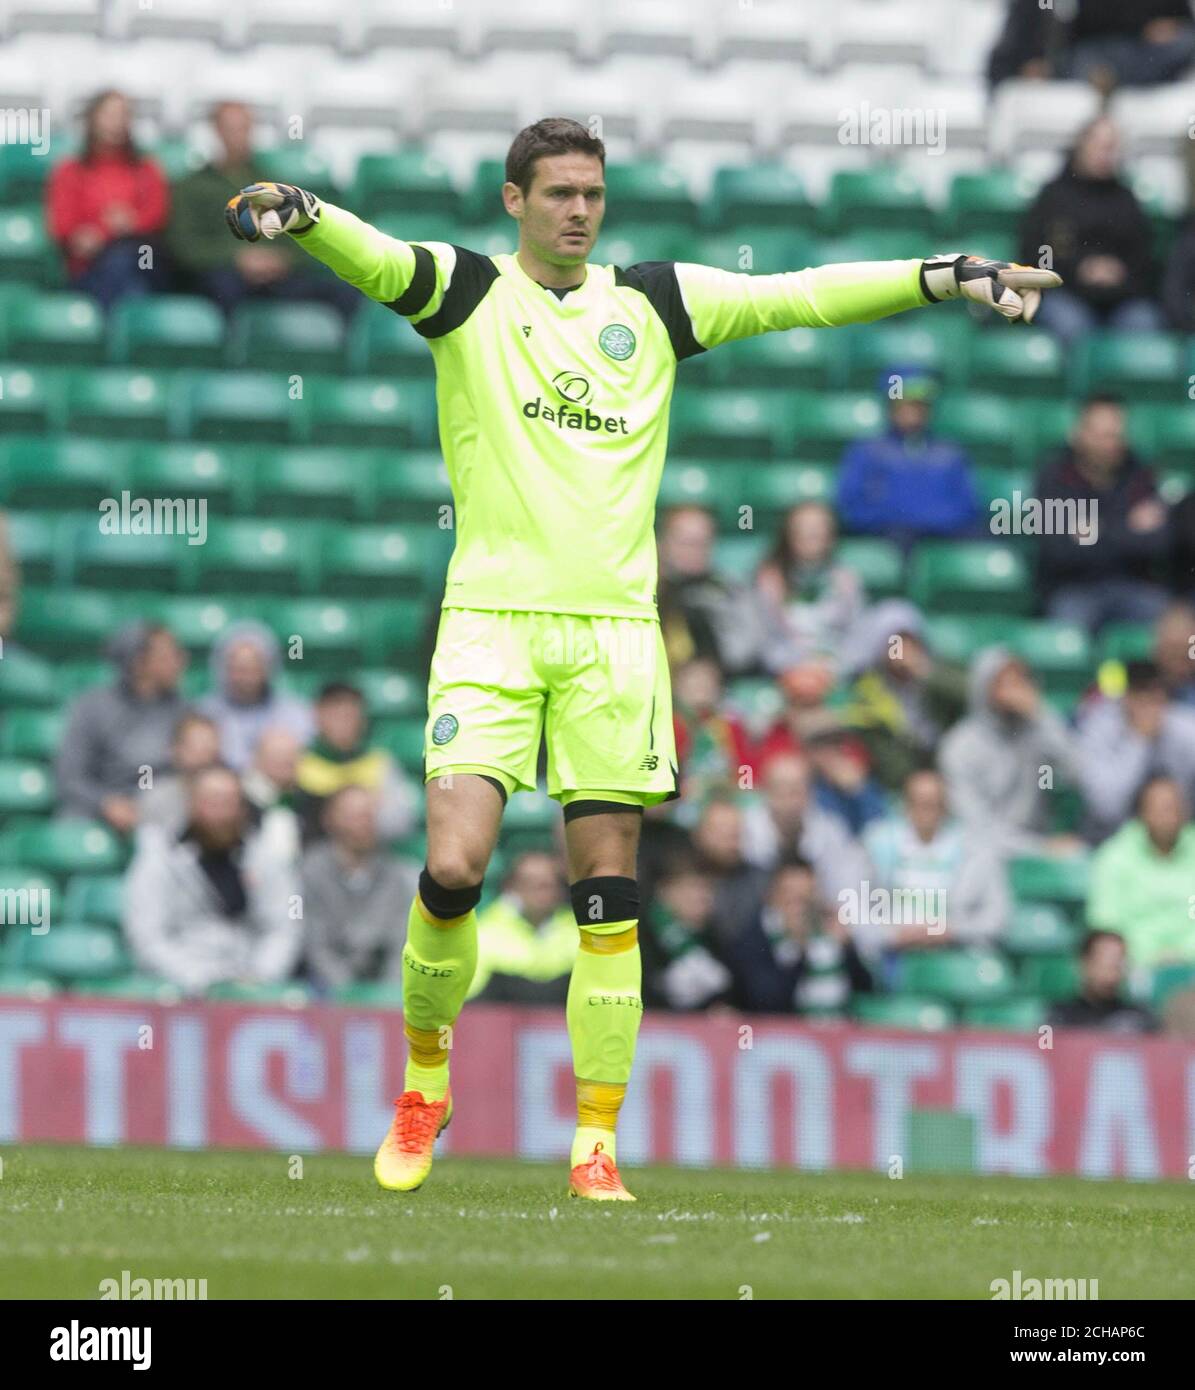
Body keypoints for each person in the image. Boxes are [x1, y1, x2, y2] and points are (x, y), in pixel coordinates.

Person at [222, 115, 1062, 1200]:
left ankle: (596, 1139)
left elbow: (797, 293)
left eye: (592, 193)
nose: (578, 210)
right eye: (558, 193)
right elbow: (378, 257)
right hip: (490, 622)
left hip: (617, 638)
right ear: (513, 199)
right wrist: (308, 214)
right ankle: (426, 1079)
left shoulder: (654, 302)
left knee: (606, 897)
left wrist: (940, 276)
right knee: (453, 868)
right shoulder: (470, 294)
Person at [168, 101, 358, 320]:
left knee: (345, 291)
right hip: (223, 276)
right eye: (232, 129)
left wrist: (280, 260)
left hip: (276, 278)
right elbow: (183, 246)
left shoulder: (275, 185)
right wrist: (236, 258)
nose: (239, 136)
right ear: (217, 132)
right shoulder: (192, 187)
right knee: (226, 288)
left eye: (245, 129)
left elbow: (305, 237)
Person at [124, 765, 301, 996]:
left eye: (229, 802)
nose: (220, 814)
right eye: (212, 802)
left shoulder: (265, 858)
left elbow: (285, 928)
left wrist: (260, 977)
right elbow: (146, 937)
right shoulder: (159, 859)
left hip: (250, 986)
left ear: (242, 808)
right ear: (192, 805)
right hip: (179, 989)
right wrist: (200, 980)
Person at [1020, 116, 1164, 346]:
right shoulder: (1053, 198)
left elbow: (1144, 257)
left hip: (1120, 299)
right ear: (1081, 146)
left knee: (1144, 324)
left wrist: (1119, 272)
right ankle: (1082, 383)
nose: (1106, 154)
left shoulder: (1127, 200)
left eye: (1112, 148)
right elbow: (1037, 256)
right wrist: (1079, 269)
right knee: (1074, 326)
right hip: (1065, 293)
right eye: (1100, 146)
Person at [1034, 395, 1170, 633]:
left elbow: (1157, 543)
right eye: (1102, 435)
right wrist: (1127, 528)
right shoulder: (1053, 478)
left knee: (1175, 627)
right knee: (1068, 632)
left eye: (1116, 435)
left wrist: (1096, 531)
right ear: (1078, 434)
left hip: (1132, 586)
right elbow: (1059, 551)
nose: (1110, 444)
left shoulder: (1141, 474)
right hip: (1073, 589)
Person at [938, 648, 1082, 857]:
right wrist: (1037, 848)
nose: (1014, 691)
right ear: (983, 688)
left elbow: (1078, 776)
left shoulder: (1038, 732)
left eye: (1020, 681)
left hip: (1038, 849)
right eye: (1003, 682)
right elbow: (976, 827)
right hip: (982, 854)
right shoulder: (960, 746)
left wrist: (1041, 714)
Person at [861, 769, 1009, 966]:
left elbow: (997, 918)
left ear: (945, 806)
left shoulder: (976, 851)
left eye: (933, 804)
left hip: (957, 956)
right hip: (893, 957)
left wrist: (951, 930)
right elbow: (855, 909)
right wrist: (892, 934)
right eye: (919, 803)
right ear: (906, 805)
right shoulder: (876, 845)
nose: (926, 811)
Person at [55, 622, 188, 832]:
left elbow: (159, 775)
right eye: (169, 655)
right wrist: (105, 803)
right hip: (97, 809)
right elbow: (70, 777)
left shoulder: (183, 711)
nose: (180, 661)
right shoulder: (92, 707)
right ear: (139, 662)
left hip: (160, 809)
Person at [46, 89, 169, 308]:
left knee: (133, 259)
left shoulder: (146, 168)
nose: (117, 123)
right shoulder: (71, 170)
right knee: (126, 281)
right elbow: (62, 224)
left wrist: (129, 224)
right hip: (91, 263)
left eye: (124, 115)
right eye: (110, 115)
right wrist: (93, 235)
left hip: (143, 256)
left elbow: (157, 214)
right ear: (93, 119)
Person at [836, 368, 979, 547]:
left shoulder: (950, 454)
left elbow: (967, 507)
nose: (913, 410)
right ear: (890, 406)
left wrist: (924, 522)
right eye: (904, 403)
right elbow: (852, 508)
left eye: (919, 404)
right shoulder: (867, 452)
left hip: (941, 539)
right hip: (886, 542)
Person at [839, 599, 968, 791]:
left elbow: (974, 695)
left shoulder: (939, 671)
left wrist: (925, 672)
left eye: (909, 641)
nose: (902, 651)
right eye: (895, 643)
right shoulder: (869, 690)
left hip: (949, 772)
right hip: (902, 782)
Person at [301, 786, 419, 994]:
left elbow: (402, 945)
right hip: (325, 994)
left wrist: (387, 996)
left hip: (386, 993)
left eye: (368, 815)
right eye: (352, 816)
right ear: (329, 820)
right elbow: (313, 943)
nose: (362, 823)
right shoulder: (308, 872)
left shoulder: (403, 877)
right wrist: (348, 994)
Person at [726, 858, 872, 1016]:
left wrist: (847, 949)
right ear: (771, 895)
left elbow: (866, 987)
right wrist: (798, 950)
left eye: (806, 899)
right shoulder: (753, 941)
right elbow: (768, 1003)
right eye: (791, 899)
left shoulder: (826, 933)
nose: (799, 909)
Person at [1074, 661, 1195, 842]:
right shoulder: (1098, 728)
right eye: (1140, 693)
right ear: (1126, 696)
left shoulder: (1185, 726)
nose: (1148, 704)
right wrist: (1139, 742)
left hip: (1175, 837)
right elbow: (1106, 808)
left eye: (1155, 695)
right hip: (1110, 838)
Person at [1087, 775, 1195, 973]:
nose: (1169, 816)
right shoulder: (1114, 857)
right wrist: (1149, 958)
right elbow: (1106, 926)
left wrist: (1184, 956)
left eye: (1174, 808)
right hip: (1133, 969)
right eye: (1161, 809)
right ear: (1142, 812)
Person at [740, 751, 872, 907]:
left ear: (810, 793)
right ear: (765, 791)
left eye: (796, 790)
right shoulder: (743, 830)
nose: (788, 799)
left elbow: (850, 883)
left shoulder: (830, 830)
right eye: (780, 789)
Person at [754, 500, 864, 687]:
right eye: (804, 528)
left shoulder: (846, 579)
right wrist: (797, 668)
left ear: (831, 535)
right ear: (788, 534)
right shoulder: (768, 580)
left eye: (819, 527)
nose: (812, 534)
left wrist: (834, 666)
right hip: (787, 675)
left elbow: (858, 635)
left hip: (836, 671)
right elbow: (762, 642)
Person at [656, 504, 773, 678]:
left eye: (703, 542)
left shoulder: (729, 590)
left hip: (720, 686)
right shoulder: (647, 590)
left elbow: (748, 651)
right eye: (686, 542)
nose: (695, 551)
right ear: (662, 542)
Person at [293, 682, 417, 844]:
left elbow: (403, 823)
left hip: (369, 859)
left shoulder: (380, 763)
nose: (343, 724)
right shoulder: (297, 762)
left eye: (350, 716)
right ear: (318, 715)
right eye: (336, 715)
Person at [988, 0, 1195, 90]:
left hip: (1146, 54)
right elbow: (1090, 20)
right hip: (1099, 50)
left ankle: (1115, 82)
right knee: (1088, 60)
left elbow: (1185, 20)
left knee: (1185, 42)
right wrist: (1144, 27)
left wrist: (1171, 26)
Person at [199, 620, 314, 772]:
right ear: (223, 667)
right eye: (239, 668)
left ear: (270, 667)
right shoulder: (203, 713)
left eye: (254, 666)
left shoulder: (296, 713)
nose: (246, 676)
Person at [467, 849, 577, 1004]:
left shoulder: (579, 931)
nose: (543, 891)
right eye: (531, 882)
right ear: (512, 886)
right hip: (502, 1020)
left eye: (550, 883)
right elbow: (473, 999)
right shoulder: (484, 932)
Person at [640, 854, 734, 1012]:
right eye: (692, 887)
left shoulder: (716, 939)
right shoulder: (643, 936)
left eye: (708, 888)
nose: (702, 896)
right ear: (665, 891)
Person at [1048, 930, 1158, 1034]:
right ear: (1084, 964)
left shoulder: (1138, 1019)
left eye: (1119, 960)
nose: (1113, 967)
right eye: (1105, 959)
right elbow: (1044, 1047)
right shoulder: (1059, 1017)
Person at [137, 711, 221, 835]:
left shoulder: (233, 795)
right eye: (196, 745)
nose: (205, 753)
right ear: (175, 749)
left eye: (210, 744)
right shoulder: (156, 797)